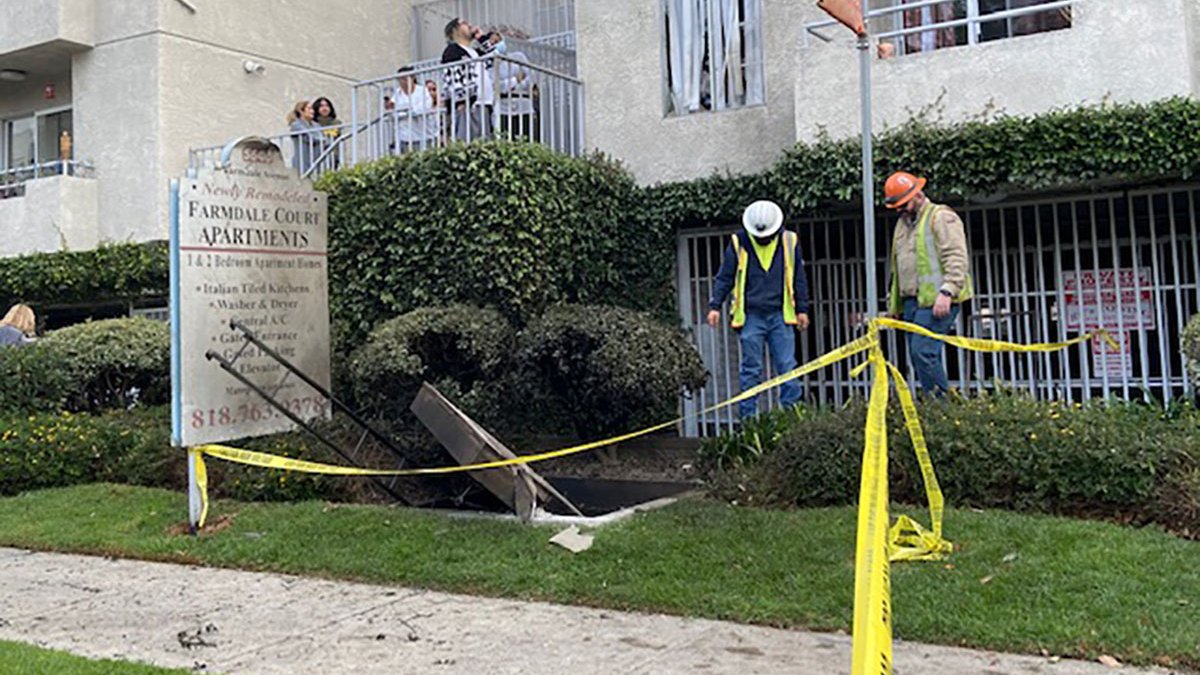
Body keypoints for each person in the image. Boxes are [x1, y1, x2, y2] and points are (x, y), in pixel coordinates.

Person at [707, 201, 811, 419]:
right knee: (750, 372)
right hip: (751, 316)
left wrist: (802, 309)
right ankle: (748, 423)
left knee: (787, 369)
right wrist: (715, 305)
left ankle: (792, 420)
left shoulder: (789, 241)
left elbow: (799, 277)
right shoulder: (739, 243)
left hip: (781, 315)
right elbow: (725, 276)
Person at [884, 170, 974, 397]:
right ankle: (935, 402)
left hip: (937, 299)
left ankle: (940, 406)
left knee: (923, 352)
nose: (900, 210)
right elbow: (898, 267)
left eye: (903, 204)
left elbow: (956, 256)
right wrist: (895, 305)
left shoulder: (941, 217)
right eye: (896, 206)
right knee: (918, 356)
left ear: (917, 195)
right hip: (912, 302)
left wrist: (947, 291)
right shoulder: (903, 224)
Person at [441, 17, 494, 142]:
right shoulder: (453, 50)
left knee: (483, 144)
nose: (470, 24)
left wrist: (481, 38)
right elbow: (452, 76)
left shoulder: (475, 52)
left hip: (483, 103)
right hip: (467, 105)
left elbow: (495, 56)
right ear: (455, 30)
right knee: (467, 143)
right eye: (464, 23)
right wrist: (461, 101)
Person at [389, 67, 440, 152]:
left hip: (424, 137)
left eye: (405, 78)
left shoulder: (422, 91)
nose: (403, 82)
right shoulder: (397, 94)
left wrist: (407, 112)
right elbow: (393, 112)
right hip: (405, 139)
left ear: (413, 78)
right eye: (400, 79)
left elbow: (424, 108)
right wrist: (407, 111)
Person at [286, 100, 322, 175]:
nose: (312, 111)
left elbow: (323, 138)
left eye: (312, 109)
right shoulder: (296, 125)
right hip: (302, 159)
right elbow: (310, 138)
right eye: (309, 109)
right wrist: (322, 140)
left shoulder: (316, 125)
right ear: (301, 111)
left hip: (316, 158)